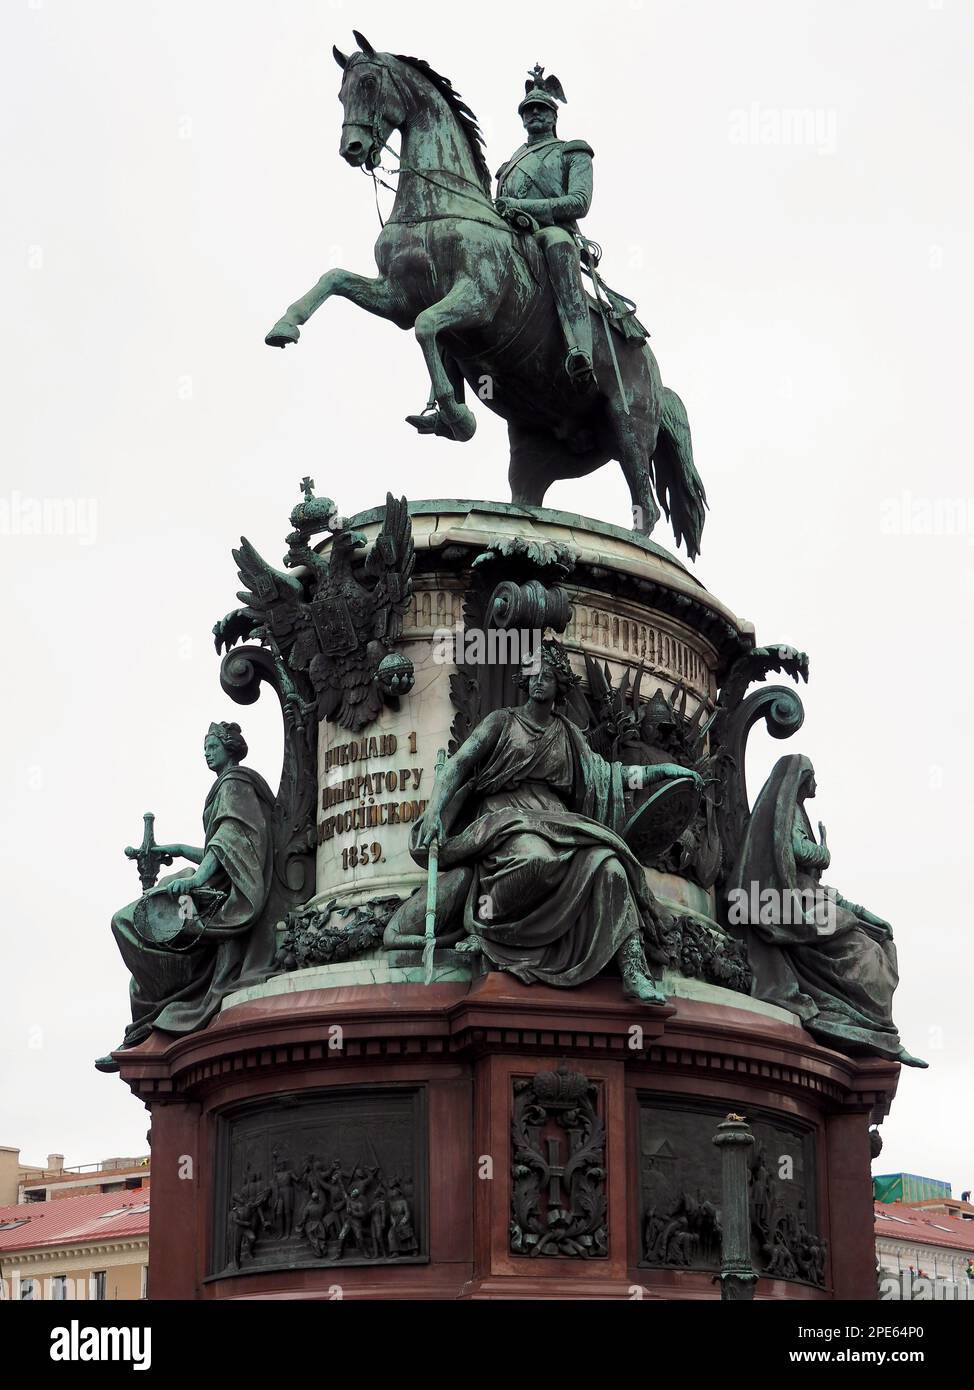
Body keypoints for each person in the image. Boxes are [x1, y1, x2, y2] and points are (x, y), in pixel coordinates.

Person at [387, 641, 703, 1000]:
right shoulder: (502, 722)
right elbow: (458, 765)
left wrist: (660, 770)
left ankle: (633, 969)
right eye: (534, 673)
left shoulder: (567, 733)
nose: (539, 681)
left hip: (557, 822)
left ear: (559, 684)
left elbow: (607, 776)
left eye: (548, 675)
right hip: (505, 819)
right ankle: (491, 930)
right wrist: (433, 813)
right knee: (534, 859)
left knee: (610, 865)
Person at [95, 722, 275, 1070]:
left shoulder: (235, 783)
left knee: (125, 922)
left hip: (220, 901)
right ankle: (142, 1036)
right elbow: (215, 848)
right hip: (209, 891)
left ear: (229, 747)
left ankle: (153, 1026)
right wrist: (177, 849)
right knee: (143, 975)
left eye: (212, 746)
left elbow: (229, 841)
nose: (207, 752)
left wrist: (195, 882)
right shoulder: (224, 787)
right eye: (204, 747)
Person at [729, 753, 927, 1067]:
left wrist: (870, 916)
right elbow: (796, 850)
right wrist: (824, 851)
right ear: (802, 779)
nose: (817, 783)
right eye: (813, 777)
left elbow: (822, 886)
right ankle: (875, 1030)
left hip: (813, 896)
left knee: (878, 944)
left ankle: (881, 1032)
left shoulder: (795, 811)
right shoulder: (788, 811)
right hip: (796, 905)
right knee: (864, 952)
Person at [494, 65, 596, 389]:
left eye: (540, 109)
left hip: (550, 232)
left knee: (557, 242)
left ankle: (580, 349)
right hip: (511, 234)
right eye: (528, 110)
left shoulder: (572, 151)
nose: (533, 114)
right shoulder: (506, 168)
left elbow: (579, 201)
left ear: (554, 115)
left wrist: (523, 207)